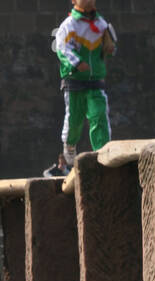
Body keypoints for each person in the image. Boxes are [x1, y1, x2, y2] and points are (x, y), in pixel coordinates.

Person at [52, 0, 116, 170]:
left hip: (95, 80)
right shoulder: (69, 25)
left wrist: (110, 48)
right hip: (74, 80)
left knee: (99, 115)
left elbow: (110, 47)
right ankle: (69, 150)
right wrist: (76, 62)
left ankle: (102, 152)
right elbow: (62, 48)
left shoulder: (101, 24)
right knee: (74, 118)